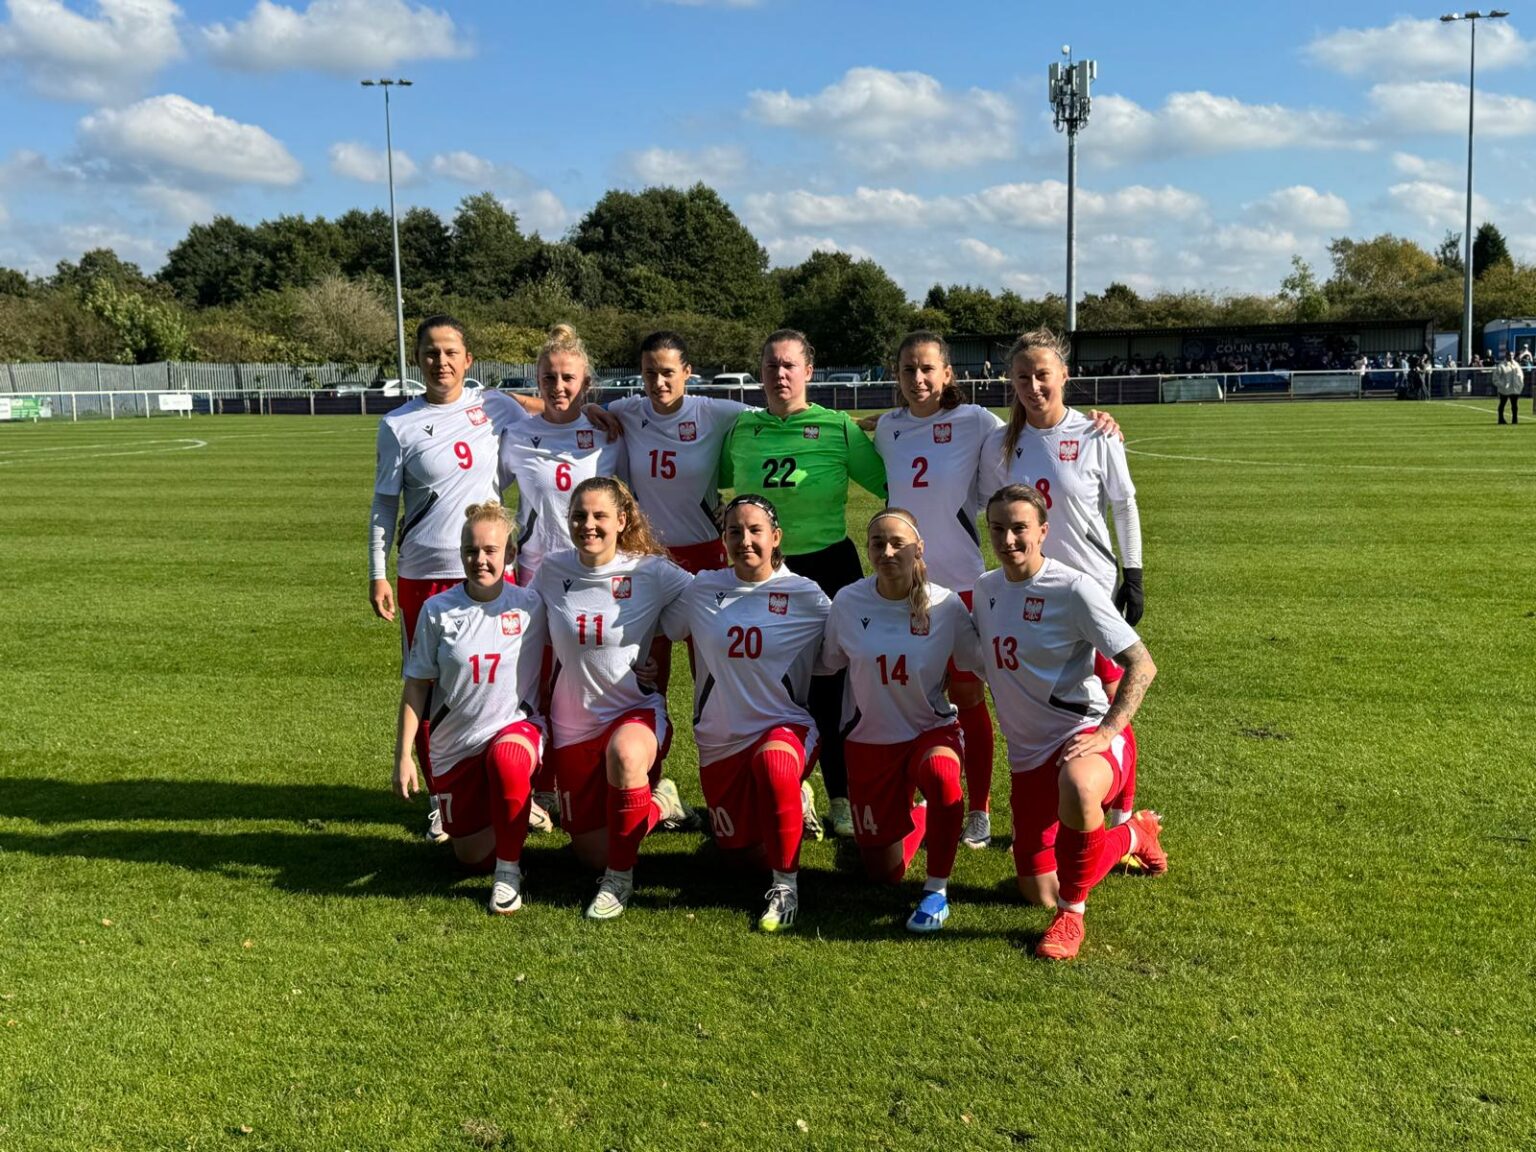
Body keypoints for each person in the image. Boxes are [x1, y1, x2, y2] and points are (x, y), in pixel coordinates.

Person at [972, 485, 1163, 960]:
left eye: (1020, 528)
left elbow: (1142, 663)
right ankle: (1133, 835)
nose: (1009, 539)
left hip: (1080, 736)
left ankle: (1072, 918)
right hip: (1026, 755)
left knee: (1078, 786)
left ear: (1043, 531)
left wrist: (1107, 733)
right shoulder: (985, 589)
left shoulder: (1073, 588)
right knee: (1037, 890)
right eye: (998, 529)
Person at [719, 329, 888, 840]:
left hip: (830, 566)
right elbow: (707, 479)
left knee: (836, 683)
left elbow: (890, 482)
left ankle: (840, 793)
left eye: (790, 365)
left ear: (809, 372)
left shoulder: (837, 428)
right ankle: (784, 780)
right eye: (771, 365)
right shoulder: (741, 430)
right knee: (766, 677)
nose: (780, 374)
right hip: (762, 570)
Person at [370, 314, 533, 843]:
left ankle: (520, 787)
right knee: (432, 685)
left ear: (468, 360)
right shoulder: (399, 424)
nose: (441, 362)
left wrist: (592, 411)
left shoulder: (494, 406)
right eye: (430, 353)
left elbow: (544, 413)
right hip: (424, 572)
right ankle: (443, 798)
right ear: (418, 360)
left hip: (493, 572)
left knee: (505, 682)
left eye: (450, 352)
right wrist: (378, 573)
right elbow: (383, 505)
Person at [983, 328, 1146, 833]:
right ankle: (1063, 796)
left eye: (1043, 375)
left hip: (1090, 588)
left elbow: (1123, 504)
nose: (1034, 386)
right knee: (1055, 696)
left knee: (1110, 692)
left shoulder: (1096, 433)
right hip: (1032, 592)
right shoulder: (1000, 444)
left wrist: (1134, 572)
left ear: (1064, 377)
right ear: (1011, 382)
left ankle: (1122, 814)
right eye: (1023, 377)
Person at [531, 477, 694, 920]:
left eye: (600, 516)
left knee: (624, 757)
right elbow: (519, 619)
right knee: (590, 854)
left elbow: (706, 601)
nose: (589, 525)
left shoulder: (650, 571)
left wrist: (658, 642)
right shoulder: (551, 569)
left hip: (633, 712)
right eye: (579, 516)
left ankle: (619, 881)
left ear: (622, 520)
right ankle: (659, 804)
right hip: (572, 723)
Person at [669, 495, 831, 932]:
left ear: (776, 537)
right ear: (723, 539)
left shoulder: (805, 595)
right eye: (735, 531)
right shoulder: (702, 588)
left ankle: (787, 887)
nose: (745, 540)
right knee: (738, 859)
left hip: (784, 728)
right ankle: (790, 806)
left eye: (755, 530)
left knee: (775, 763)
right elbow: (664, 626)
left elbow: (838, 655)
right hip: (721, 740)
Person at [820, 509, 982, 933]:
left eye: (898, 543)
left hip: (930, 730)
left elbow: (984, 661)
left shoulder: (944, 605)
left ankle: (936, 890)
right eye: (877, 543)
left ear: (918, 549)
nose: (887, 551)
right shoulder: (849, 601)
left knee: (942, 777)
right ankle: (923, 817)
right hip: (869, 741)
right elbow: (825, 664)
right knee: (882, 873)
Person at [873, 331, 1005, 849]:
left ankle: (980, 808)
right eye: (908, 370)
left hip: (962, 586)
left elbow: (1030, 429)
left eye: (928, 369)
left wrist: (1095, 423)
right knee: (907, 693)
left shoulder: (975, 421)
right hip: (903, 586)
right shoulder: (888, 427)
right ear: (897, 376)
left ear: (948, 374)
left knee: (969, 695)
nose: (918, 379)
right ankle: (919, 789)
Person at [394, 501, 548, 915]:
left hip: (514, 732)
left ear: (510, 555)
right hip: (455, 748)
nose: (480, 560)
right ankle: (513, 810)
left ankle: (509, 874)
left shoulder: (532, 606)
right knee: (468, 859)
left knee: (508, 759)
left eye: (490, 551)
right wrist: (404, 756)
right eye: (470, 551)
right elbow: (416, 687)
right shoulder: (437, 611)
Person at [608, 330, 750, 692]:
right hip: (645, 557)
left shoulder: (713, 412)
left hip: (703, 555)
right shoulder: (626, 411)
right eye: (650, 373)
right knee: (647, 670)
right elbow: (580, 411)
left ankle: (715, 737)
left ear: (687, 372)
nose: (658, 382)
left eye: (668, 372)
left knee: (708, 666)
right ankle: (649, 737)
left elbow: (777, 419)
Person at [498, 323, 628, 585]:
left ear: (586, 383)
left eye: (568, 378)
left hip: (594, 572)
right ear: (537, 380)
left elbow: (639, 495)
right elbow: (489, 492)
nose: (558, 386)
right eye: (549, 377)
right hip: (536, 572)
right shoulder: (516, 435)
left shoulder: (607, 434)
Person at [1492, 349, 1523, 425]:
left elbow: (1520, 376)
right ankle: (1501, 419)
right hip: (1504, 390)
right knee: (1502, 404)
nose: (1511, 356)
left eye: (1512, 355)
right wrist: (1502, 385)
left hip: (1515, 389)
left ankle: (1515, 420)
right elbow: (1495, 379)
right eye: (1509, 355)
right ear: (1506, 356)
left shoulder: (1516, 365)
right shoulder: (1501, 366)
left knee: (1514, 406)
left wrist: (1520, 385)